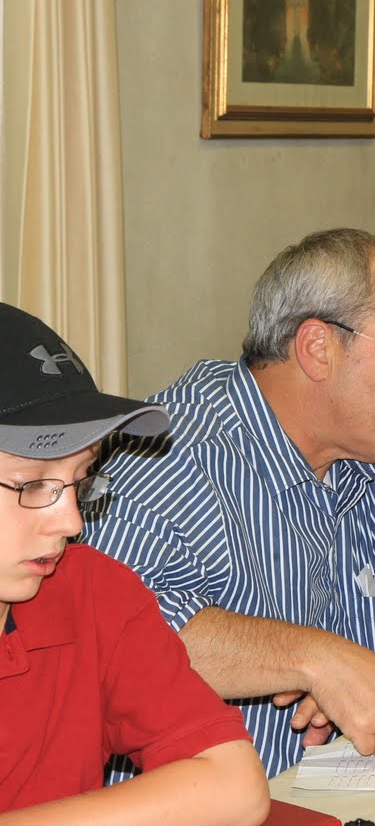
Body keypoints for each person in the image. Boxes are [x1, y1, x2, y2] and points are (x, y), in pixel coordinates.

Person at [81, 230, 375, 779]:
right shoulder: (170, 460)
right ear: (318, 349)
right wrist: (318, 660)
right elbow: (108, 638)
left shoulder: (365, 459)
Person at [0, 304, 269, 823]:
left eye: (80, 481)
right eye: (33, 484)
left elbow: (234, 786)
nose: (72, 522)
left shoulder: (92, 590)